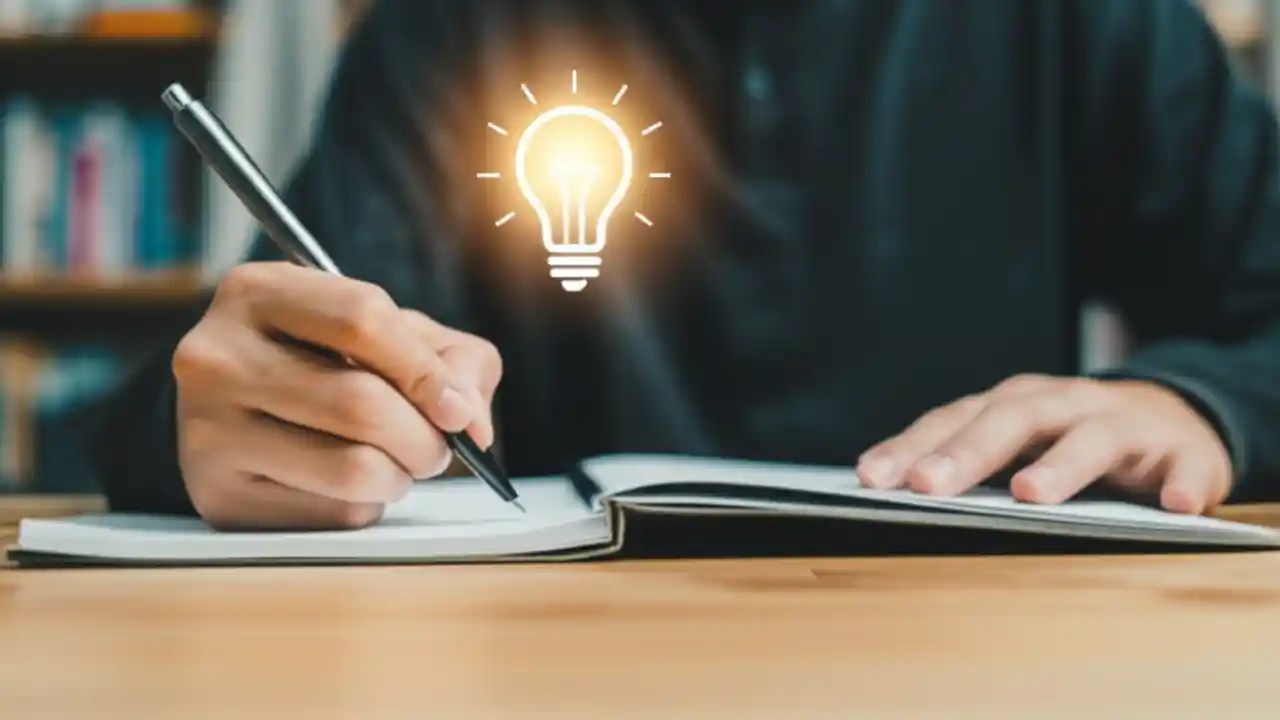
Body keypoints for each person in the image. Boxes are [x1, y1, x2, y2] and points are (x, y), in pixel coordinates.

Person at [98, 0, 1280, 529]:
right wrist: (211, 429)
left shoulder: (1082, 18)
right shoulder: (455, 30)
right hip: (553, 669)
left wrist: (1197, 404)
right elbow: (271, 357)